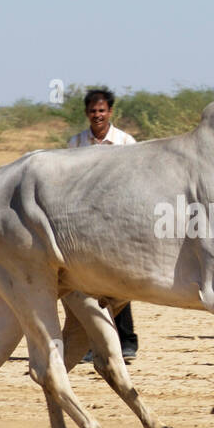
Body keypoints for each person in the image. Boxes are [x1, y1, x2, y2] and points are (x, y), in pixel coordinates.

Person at [68, 88, 138, 360]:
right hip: (81, 224)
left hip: (116, 221)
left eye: (102, 111)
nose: (97, 116)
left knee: (120, 282)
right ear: (87, 113)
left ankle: (127, 342)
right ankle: (87, 343)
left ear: (110, 112)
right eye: (93, 111)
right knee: (85, 284)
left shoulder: (125, 141)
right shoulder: (75, 144)